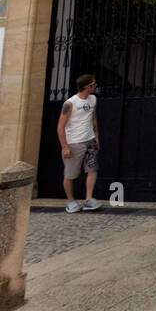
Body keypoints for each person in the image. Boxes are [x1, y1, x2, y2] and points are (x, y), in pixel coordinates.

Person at [57, 74, 102, 212]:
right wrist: (65, 147)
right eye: (93, 84)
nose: (95, 86)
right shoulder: (70, 103)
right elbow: (60, 126)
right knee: (70, 174)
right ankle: (70, 201)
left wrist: (96, 136)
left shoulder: (93, 99)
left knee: (92, 169)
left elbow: (93, 118)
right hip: (74, 142)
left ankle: (88, 199)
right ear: (86, 87)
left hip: (89, 140)